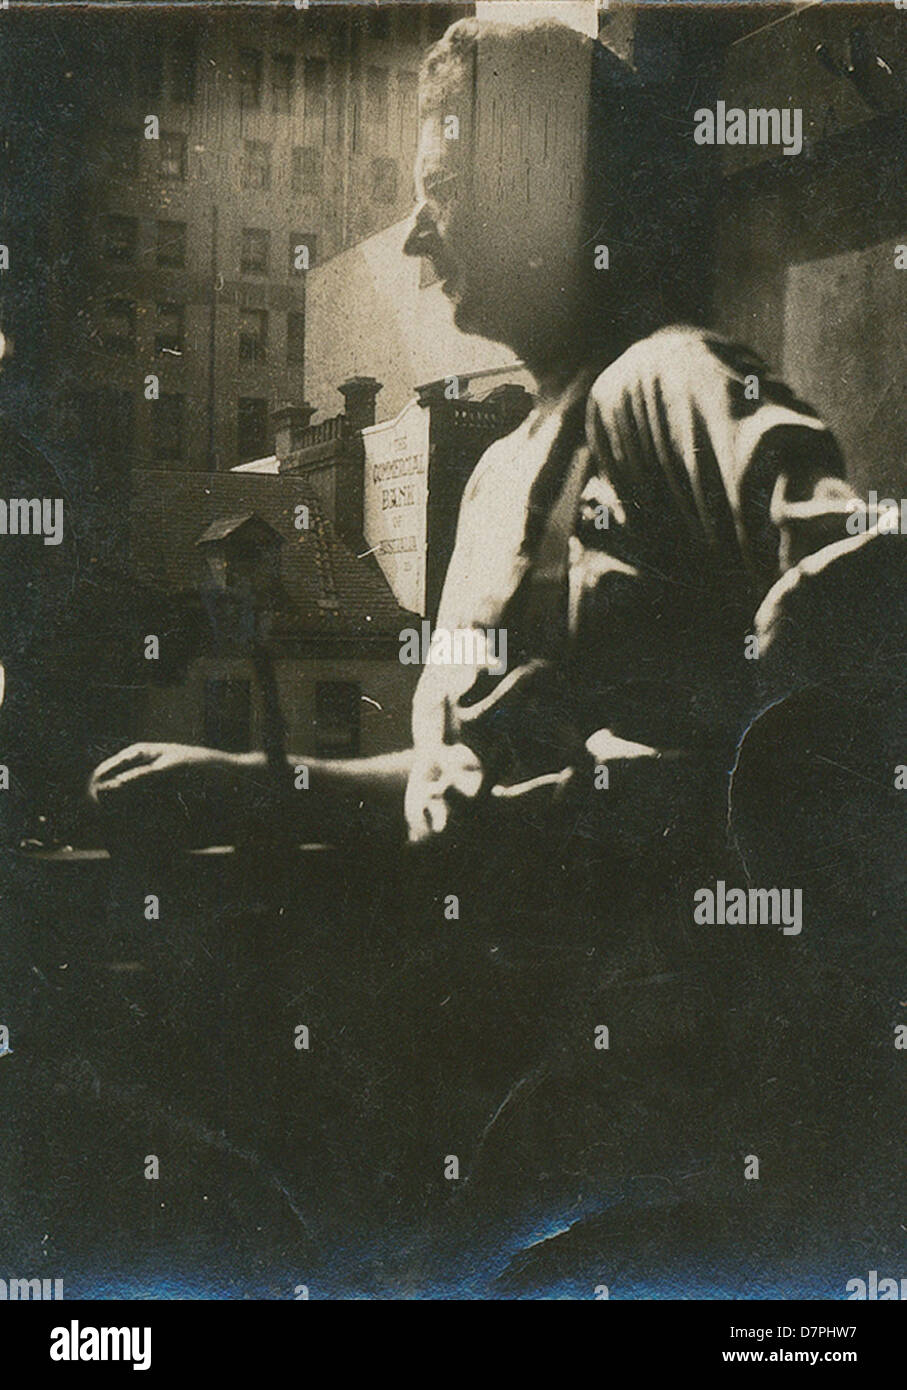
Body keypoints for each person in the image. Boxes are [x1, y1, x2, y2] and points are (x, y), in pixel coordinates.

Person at [88, 18, 867, 863]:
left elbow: (856, 626)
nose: (419, 235)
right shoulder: (495, 477)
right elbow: (451, 784)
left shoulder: (668, 383)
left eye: (446, 188)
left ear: (554, 190)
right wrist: (248, 785)